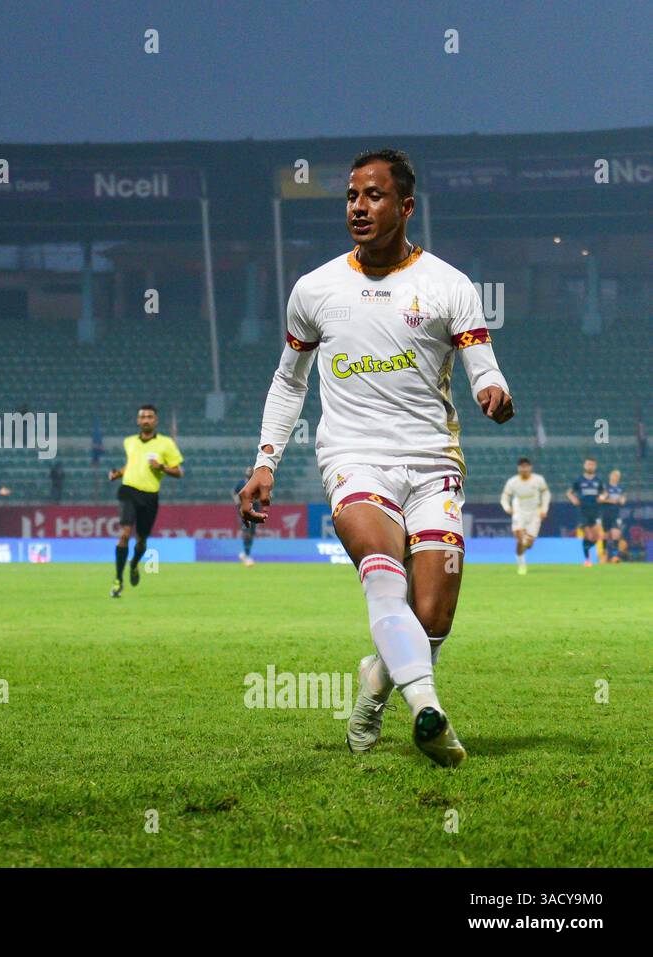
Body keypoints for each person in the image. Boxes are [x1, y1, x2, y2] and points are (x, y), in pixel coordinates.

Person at [239, 149, 514, 767]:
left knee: (433, 614)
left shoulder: (449, 285)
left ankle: (375, 682)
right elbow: (289, 382)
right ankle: (428, 711)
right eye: (352, 197)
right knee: (383, 569)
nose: (359, 207)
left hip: (433, 463)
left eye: (374, 196)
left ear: (405, 207)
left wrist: (493, 392)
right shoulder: (315, 289)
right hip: (353, 458)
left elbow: (483, 364)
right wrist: (265, 462)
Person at [107, 404, 183, 597]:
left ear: (155, 420)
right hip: (128, 490)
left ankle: (133, 564)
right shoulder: (129, 442)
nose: (146, 420)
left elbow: (178, 471)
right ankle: (118, 580)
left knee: (141, 541)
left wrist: (161, 467)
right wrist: (118, 474)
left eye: (150, 417)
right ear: (138, 420)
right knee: (124, 534)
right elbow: (131, 464)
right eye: (143, 417)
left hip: (149, 495)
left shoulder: (166, 444)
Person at [501, 457, 550, 575]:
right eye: (522, 467)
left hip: (534, 512)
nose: (524, 469)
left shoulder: (538, 480)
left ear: (530, 467)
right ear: (518, 468)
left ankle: (524, 545)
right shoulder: (512, 482)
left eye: (526, 466)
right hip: (519, 511)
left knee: (528, 543)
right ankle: (521, 565)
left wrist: (544, 509)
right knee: (519, 538)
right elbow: (504, 498)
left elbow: (546, 494)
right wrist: (507, 508)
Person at [566, 458, 603, 566]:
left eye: (592, 464)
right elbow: (569, 492)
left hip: (595, 511)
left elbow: (604, 492)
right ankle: (587, 559)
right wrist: (573, 499)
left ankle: (587, 549)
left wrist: (602, 497)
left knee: (595, 537)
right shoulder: (579, 480)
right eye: (588, 464)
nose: (590, 466)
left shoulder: (598, 480)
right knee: (587, 535)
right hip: (583, 511)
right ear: (584, 466)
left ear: (595, 466)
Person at [599, 468, 626, 563]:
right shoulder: (606, 487)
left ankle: (615, 556)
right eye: (614, 475)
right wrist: (609, 500)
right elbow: (600, 499)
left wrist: (622, 500)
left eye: (618, 476)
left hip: (616, 514)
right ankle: (604, 554)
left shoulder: (621, 488)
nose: (616, 477)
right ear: (610, 476)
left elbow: (623, 500)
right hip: (606, 513)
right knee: (606, 535)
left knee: (616, 534)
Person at [231, 466, 257, 566]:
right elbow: (234, 492)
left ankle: (245, 553)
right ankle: (247, 556)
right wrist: (236, 500)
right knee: (246, 532)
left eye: (251, 471)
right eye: (248, 470)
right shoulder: (241, 483)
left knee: (251, 533)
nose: (249, 472)